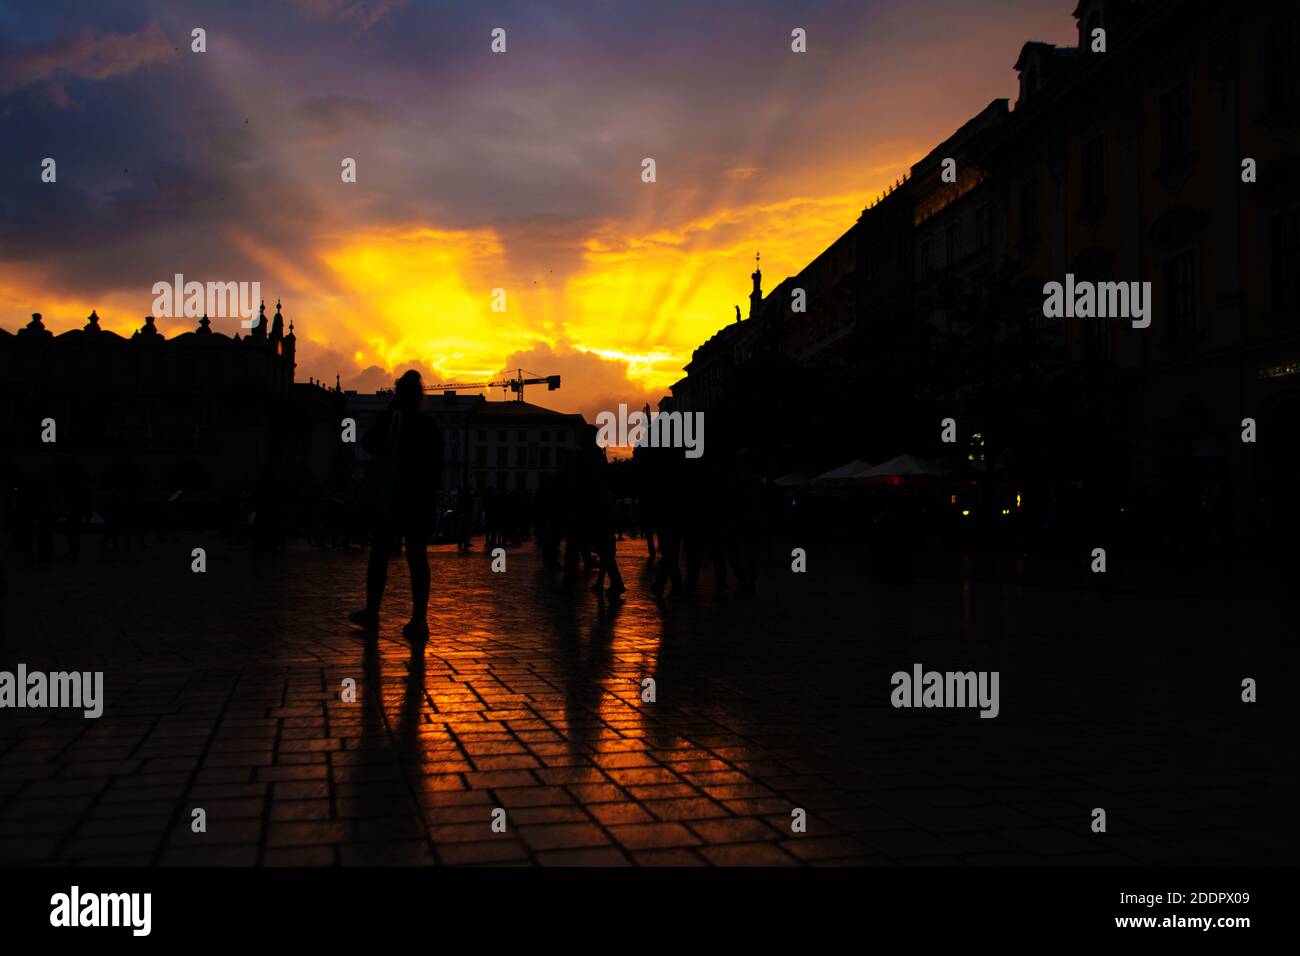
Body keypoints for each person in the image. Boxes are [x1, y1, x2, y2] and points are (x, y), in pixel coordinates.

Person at [350, 371, 443, 640]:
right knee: (417, 558)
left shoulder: (391, 420)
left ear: (397, 394)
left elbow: (367, 443)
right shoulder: (430, 426)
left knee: (380, 554)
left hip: (390, 499)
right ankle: (419, 619)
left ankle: (372, 612)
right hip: (419, 502)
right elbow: (436, 468)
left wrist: (389, 412)